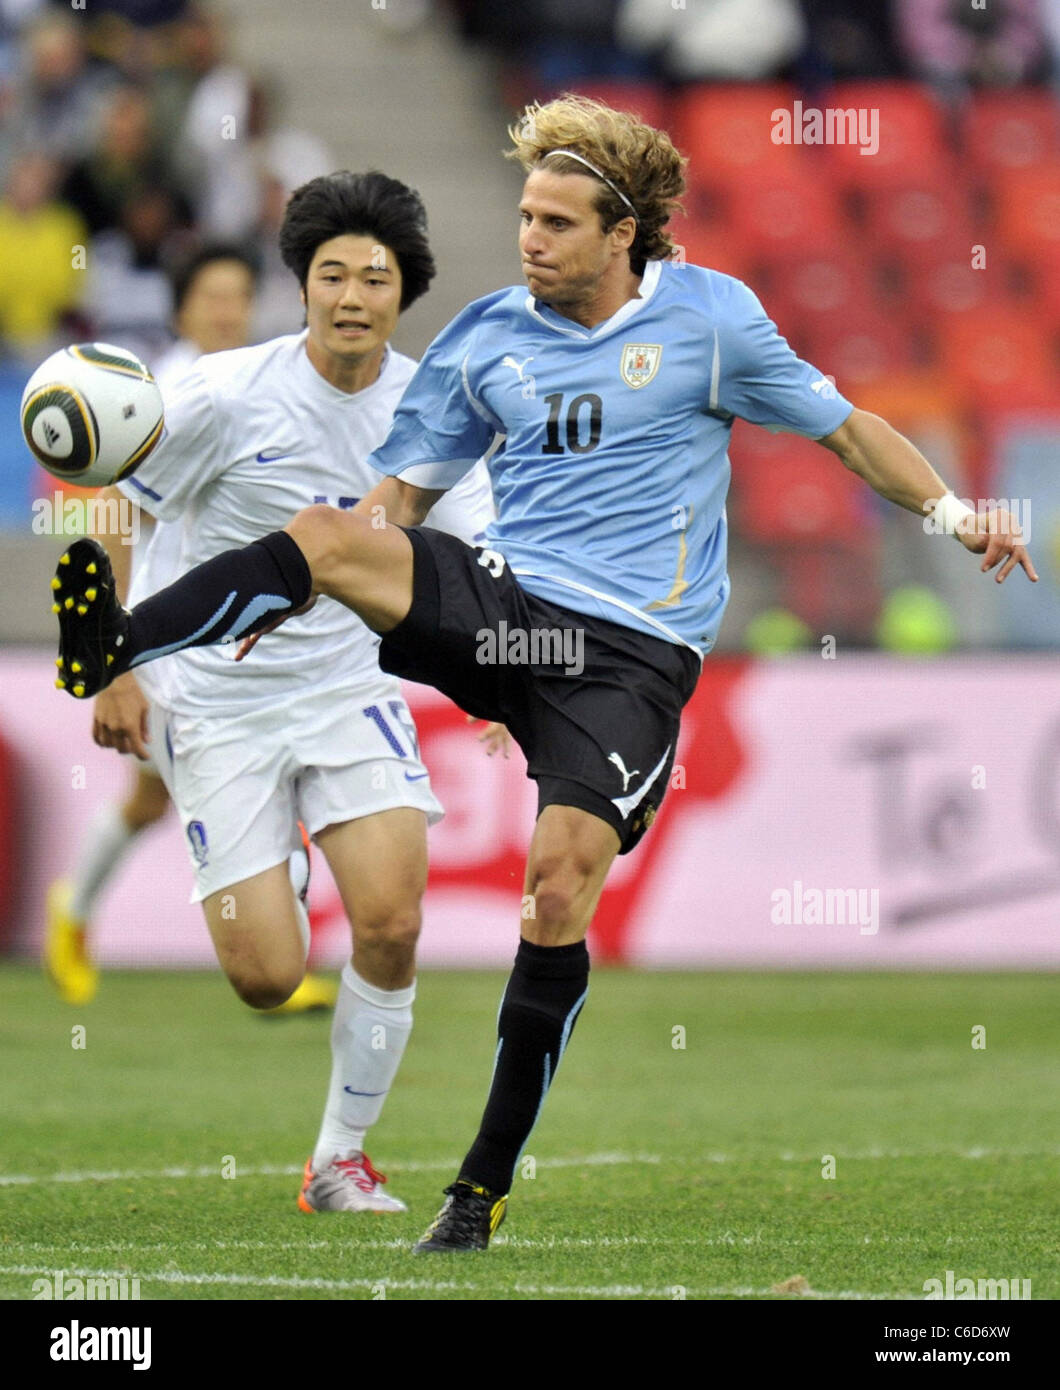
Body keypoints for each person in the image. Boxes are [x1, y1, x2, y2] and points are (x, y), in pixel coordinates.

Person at [51, 98, 1037, 1250]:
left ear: (623, 234)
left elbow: (847, 428)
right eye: (524, 216)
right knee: (322, 534)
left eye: (557, 223)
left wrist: (956, 511)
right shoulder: (485, 337)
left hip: (623, 656)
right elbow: (399, 501)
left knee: (557, 888)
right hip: (511, 607)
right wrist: (325, 575)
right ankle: (116, 643)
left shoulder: (712, 322)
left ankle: (478, 1188)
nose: (529, 239)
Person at [54, 171, 495, 1213]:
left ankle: (338, 1160)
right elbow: (111, 500)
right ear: (299, 288)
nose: (351, 295)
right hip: (213, 701)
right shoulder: (222, 392)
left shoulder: (434, 415)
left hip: (347, 689)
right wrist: (115, 664)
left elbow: (475, 555)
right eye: (331, 274)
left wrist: (493, 674)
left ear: (403, 293)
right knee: (265, 975)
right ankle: (275, 876)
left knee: (391, 918)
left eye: (374, 279)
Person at [44, 243, 348, 1014]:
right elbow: (111, 514)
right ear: (179, 307)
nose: (226, 311)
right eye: (211, 296)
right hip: (168, 646)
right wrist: (115, 664)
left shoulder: (259, 384)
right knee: (256, 784)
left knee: (152, 803)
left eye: (238, 296)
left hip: (232, 638)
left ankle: (72, 914)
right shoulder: (152, 395)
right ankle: (268, 961)